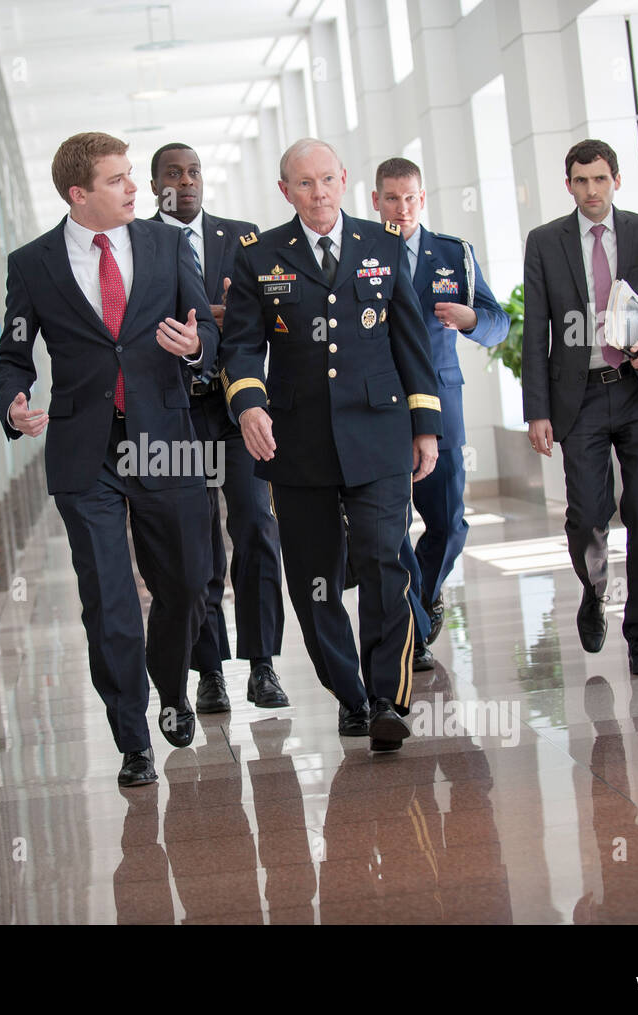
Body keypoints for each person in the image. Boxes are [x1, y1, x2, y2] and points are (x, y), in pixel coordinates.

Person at [0, 131, 218, 787]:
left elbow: (209, 332)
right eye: (118, 179)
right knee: (109, 601)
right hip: (84, 450)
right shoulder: (33, 265)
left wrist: (196, 347)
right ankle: (132, 739)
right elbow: (12, 354)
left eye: (131, 177)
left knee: (186, 583)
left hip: (164, 438)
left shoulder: (167, 245)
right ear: (78, 193)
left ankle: (172, 688)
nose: (137, 189)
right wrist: (14, 401)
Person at [219, 137, 441, 754]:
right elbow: (240, 345)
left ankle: (388, 698)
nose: (318, 193)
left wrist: (426, 426)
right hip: (300, 445)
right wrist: (248, 402)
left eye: (327, 180)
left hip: (379, 433)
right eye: (304, 184)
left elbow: (410, 341)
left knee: (382, 560)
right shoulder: (260, 256)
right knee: (314, 581)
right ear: (284, 191)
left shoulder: (383, 244)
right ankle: (350, 695)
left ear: (344, 180)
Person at [522, 138, 638, 675]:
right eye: (581, 181)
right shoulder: (545, 242)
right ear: (568, 184)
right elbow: (536, 331)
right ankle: (595, 594)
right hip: (580, 395)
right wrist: (537, 409)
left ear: (617, 180)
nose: (592, 190)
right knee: (587, 515)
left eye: (601, 179)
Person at [149, 142, 288, 714]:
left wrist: (220, 322)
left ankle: (263, 664)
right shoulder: (141, 244)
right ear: (156, 183)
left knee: (255, 525)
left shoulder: (244, 238)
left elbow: (271, 318)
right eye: (173, 174)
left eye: (194, 171)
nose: (186, 182)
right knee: (197, 542)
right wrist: (214, 321)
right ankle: (209, 669)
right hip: (176, 416)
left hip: (237, 407)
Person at [372, 157, 509, 670]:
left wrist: (472, 319)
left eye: (410, 197)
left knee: (449, 523)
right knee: (392, 524)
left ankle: (423, 598)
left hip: (442, 405)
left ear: (422, 198)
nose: (401, 208)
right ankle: (413, 626)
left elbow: (499, 323)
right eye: (391, 198)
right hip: (381, 408)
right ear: (375, 201)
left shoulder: (455, 254)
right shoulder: (361, 252)